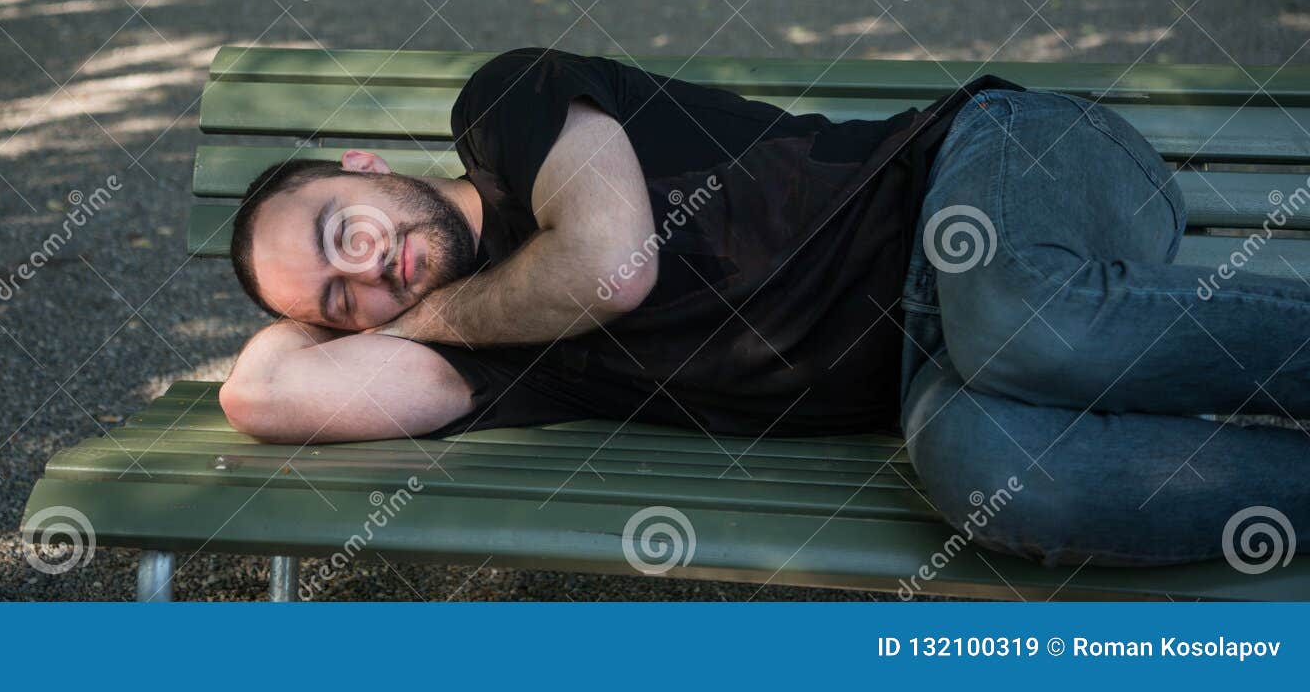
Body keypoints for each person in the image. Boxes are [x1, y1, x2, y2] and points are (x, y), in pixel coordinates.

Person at [219, 47, 1310, 567]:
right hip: (933, 377)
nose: (369, 274)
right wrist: (351, 325)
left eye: (340, 232)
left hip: (995, 170)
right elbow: (260, 387)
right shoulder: (505, 350)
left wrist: (426, 316)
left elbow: (610, 265)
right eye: (337, 298)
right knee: (996, 473)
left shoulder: (506, 110)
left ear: (365, 163)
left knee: (1019, 313)